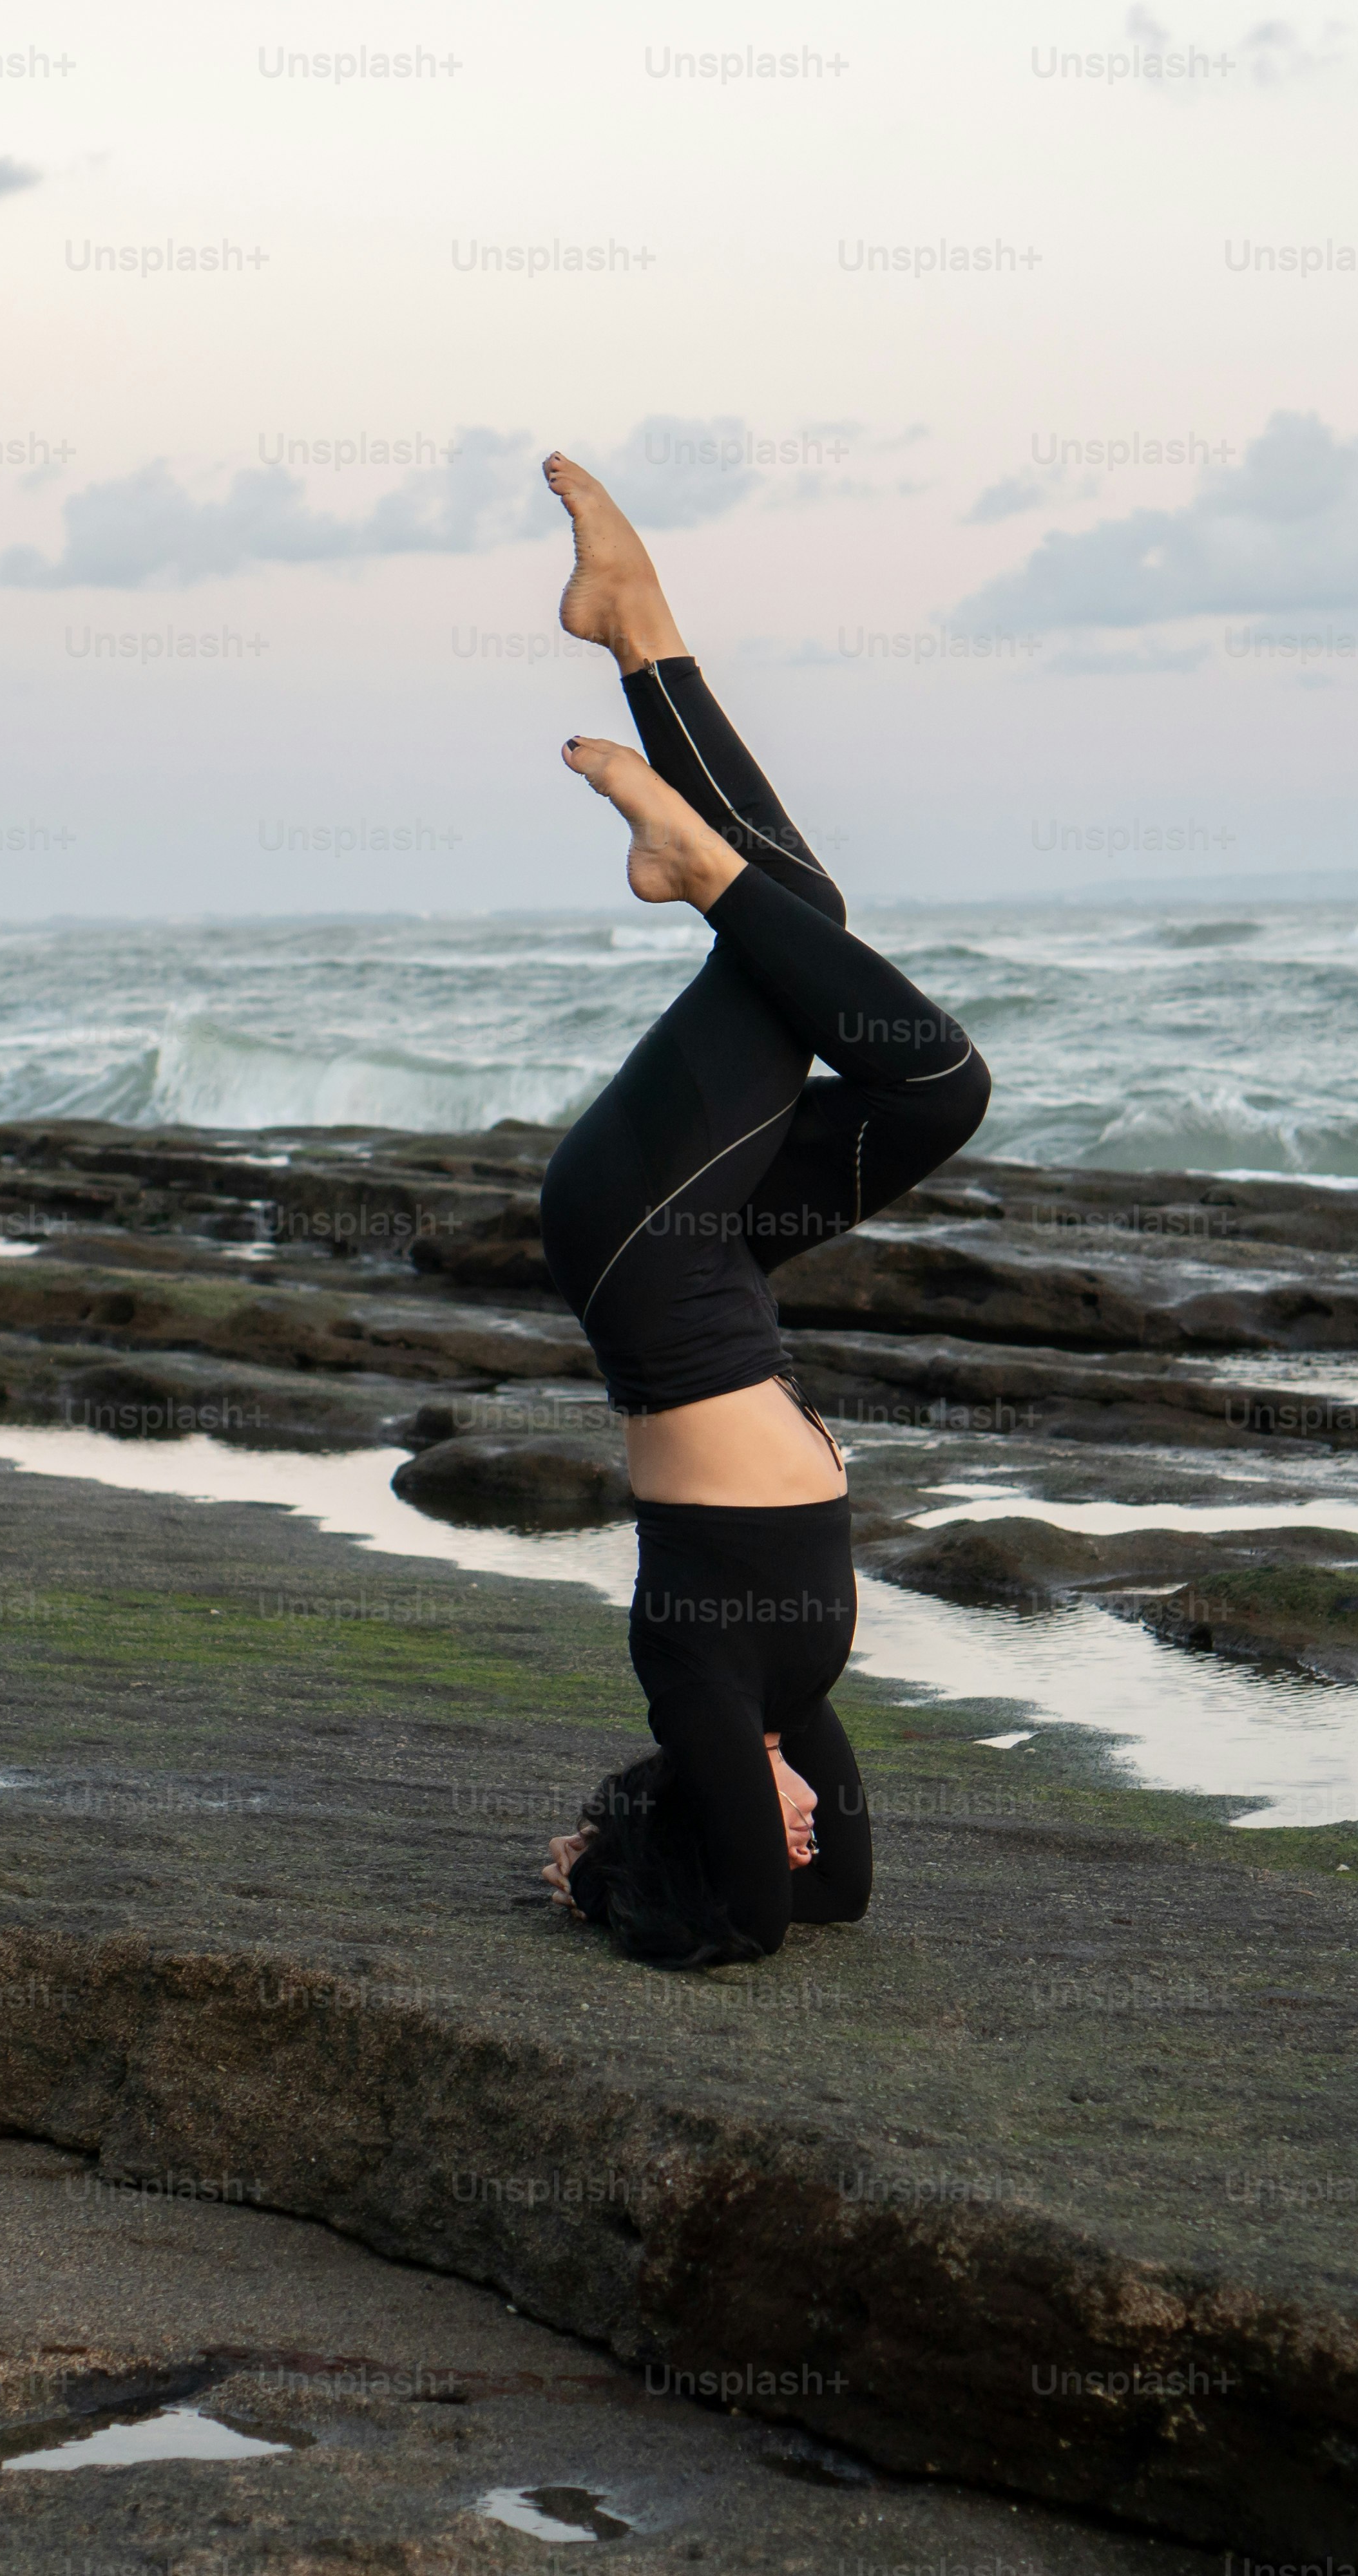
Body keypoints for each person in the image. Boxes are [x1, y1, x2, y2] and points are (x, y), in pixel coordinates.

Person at [522, 450, 992, 1968]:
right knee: (920, 1079)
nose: (804, 1825)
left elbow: (754, 1926)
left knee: (858, 989)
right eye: (791, 1809)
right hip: (714, 1265)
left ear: (710, 1807)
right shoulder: (786, 1709)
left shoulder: (702, 1686)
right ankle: (640, 629)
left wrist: (608, 1868)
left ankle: (693, 829)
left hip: (643, 1249)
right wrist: (782, 1780)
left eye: (765, 1820)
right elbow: (834, 1898)